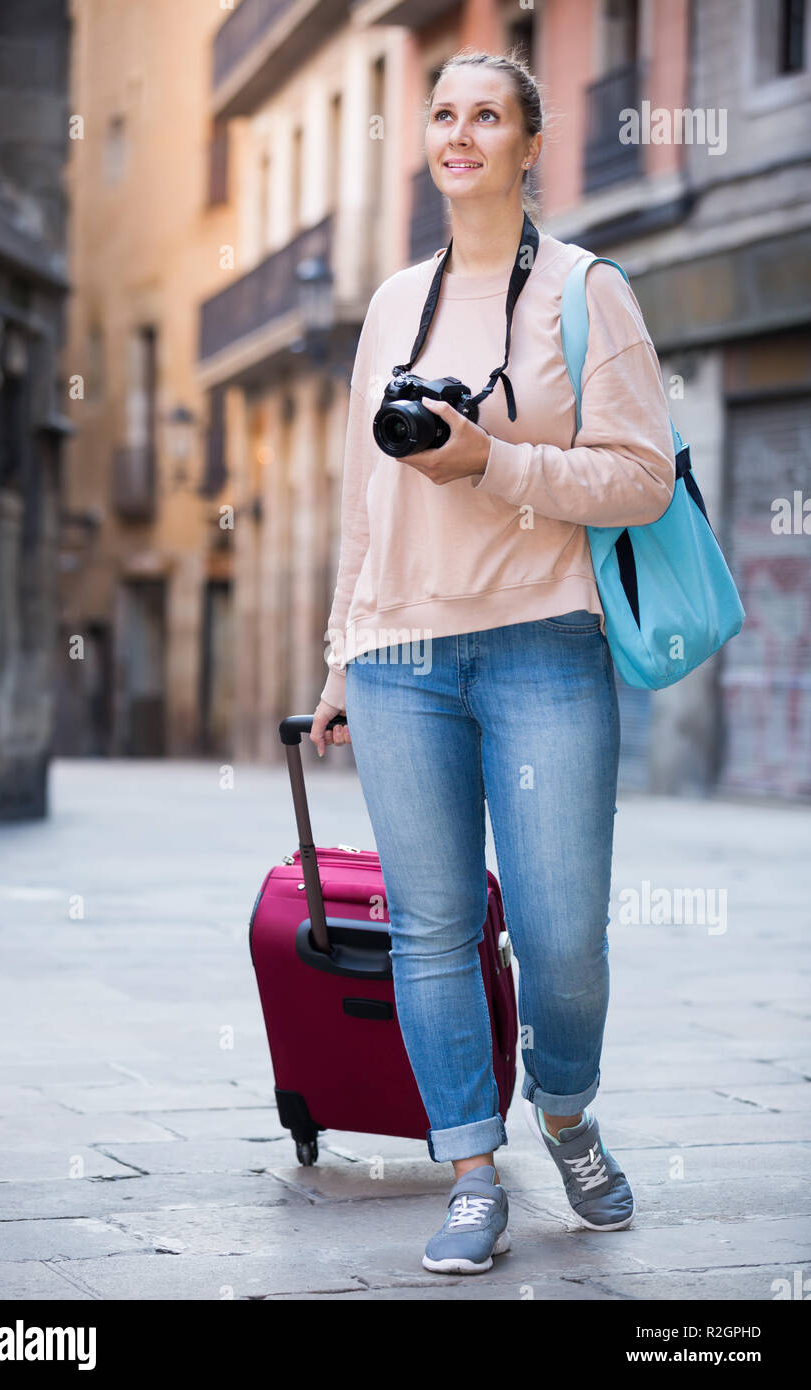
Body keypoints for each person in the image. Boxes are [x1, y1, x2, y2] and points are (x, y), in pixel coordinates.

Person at [309, 47, 675, 1276]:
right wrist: (335, 655)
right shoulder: (388, 304)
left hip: (541, 645)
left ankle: (562, 1109)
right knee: (430, 927)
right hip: (397, 660)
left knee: (562, 935)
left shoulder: (585, 289)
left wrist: (492, 463)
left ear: (530, 144)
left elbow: (638, 476)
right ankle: (471, 1169)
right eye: (442, 112)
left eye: (486, 115)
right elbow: (361, 500)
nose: (458, 132)